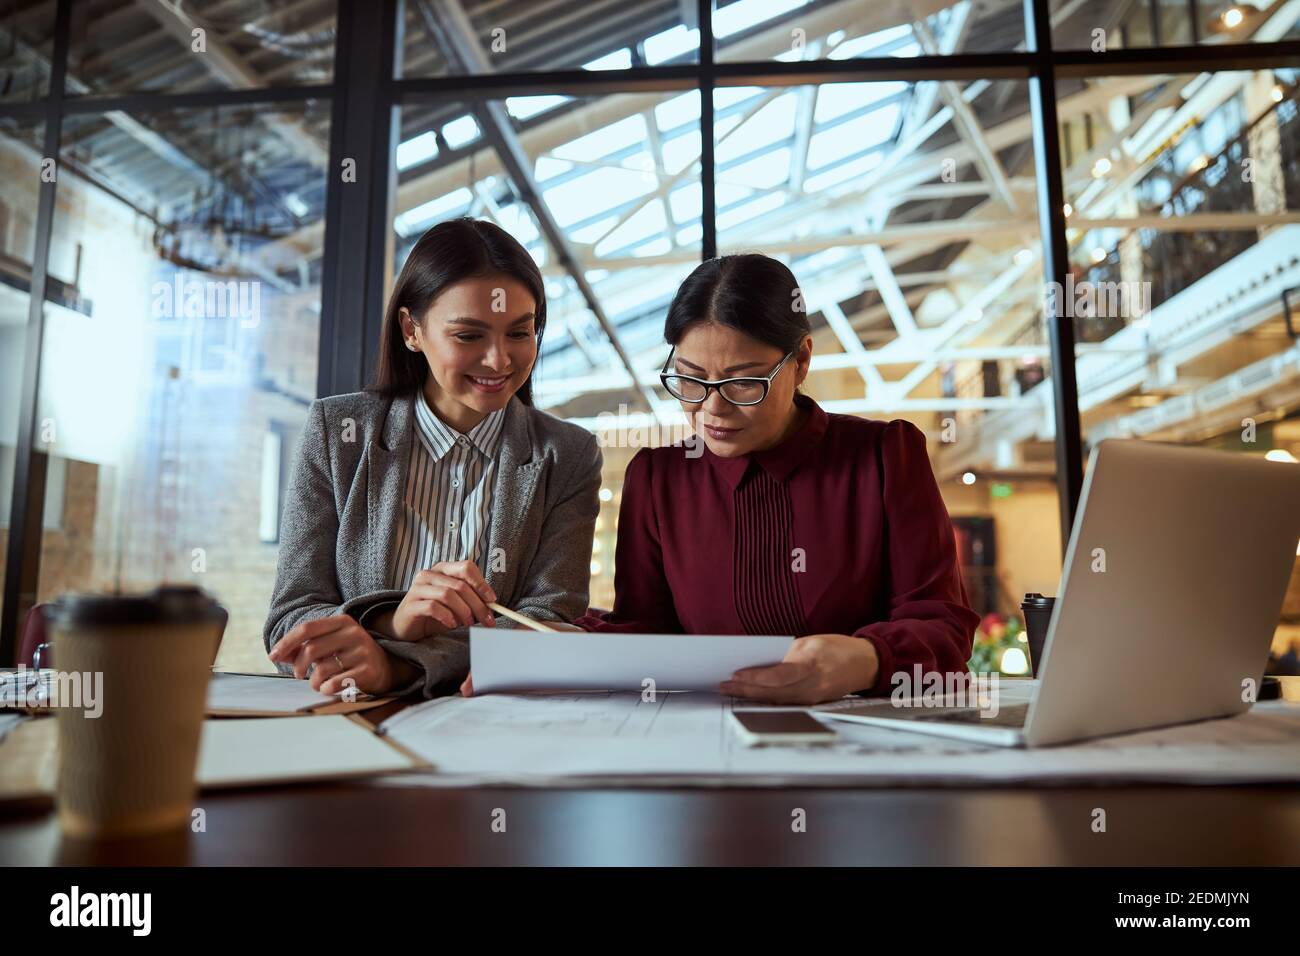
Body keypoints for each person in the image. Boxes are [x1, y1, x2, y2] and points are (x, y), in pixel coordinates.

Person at [573, 253, 979, 705]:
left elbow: (943, 629)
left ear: (801, 361)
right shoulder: (658, 479)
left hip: (859, 737)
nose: (713, 410)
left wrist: (866, 660)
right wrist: (562, 635)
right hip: (710, 735)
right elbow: (645, 629)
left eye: (743, 383)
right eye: (690, 381)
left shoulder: (883, 457)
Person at [264, 218, 601, 698]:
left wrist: (396, 663)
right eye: (469, 336)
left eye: (520, 333)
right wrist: (395, 622)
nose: (499, 361)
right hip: (346, 720)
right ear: (411, 329)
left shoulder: (567, 455)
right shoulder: (338, 435)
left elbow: (545, 627)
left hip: (493, 726)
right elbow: (290, 624)